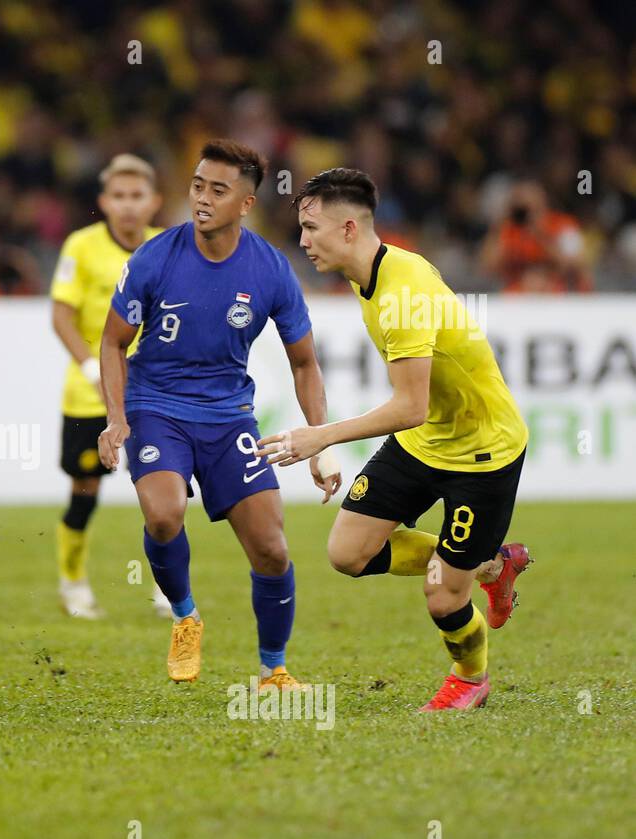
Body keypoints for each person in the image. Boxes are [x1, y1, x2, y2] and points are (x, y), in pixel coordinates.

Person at [263, 167, 530, 712]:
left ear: (349, 230)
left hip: (483, 451)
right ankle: (489, 564)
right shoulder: (373, 275)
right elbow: (418, 414)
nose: (303, 240)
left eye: (312, 227)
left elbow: (409, 406)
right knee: (347, 552)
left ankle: (470, 677)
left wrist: (322, 437)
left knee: (442, 594)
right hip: (427, 440)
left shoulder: (402, 292)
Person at [98, 140, 341, 688]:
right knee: (163, 515)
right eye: (197, 186)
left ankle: (273, 669)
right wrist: (117, 419)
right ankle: (185, 616)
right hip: (155, 406)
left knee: (273, 551)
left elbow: (304, 363)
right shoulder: (154, 258)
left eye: (218, 190)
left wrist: (319, 443)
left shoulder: (271, 270)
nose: (202, 199)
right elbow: (113, 344)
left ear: (247, 203)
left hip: (229, 417)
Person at [49, 153, 169, 619]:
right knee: (85, 492)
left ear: (154, 201)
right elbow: (61, 314)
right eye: (118, 196)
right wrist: (88, 366)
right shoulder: (80, 246)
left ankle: (165, 585)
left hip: (149, 394)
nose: (127, 205)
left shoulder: (168, 247)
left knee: (163, 492)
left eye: (136, 196)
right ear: (104, 201)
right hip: (89, 395)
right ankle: (73, 584)